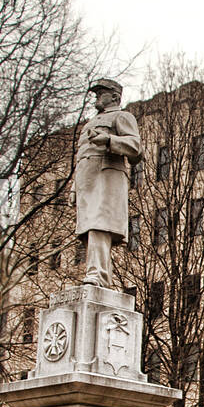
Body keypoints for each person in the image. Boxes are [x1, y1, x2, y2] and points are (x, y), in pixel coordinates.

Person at [74, 78, 143, 288]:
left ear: (114, 96)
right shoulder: (90, 124)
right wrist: (73, 189)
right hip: (87, 180)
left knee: (99, 226)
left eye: (101, 92)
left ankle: (98, 274)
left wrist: (110, 141)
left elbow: (135, 148)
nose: (97, 96)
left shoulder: (122, 117)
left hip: (106, 177)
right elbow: (81, 156)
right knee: (89, 231)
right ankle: (98, 274)